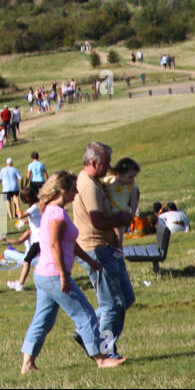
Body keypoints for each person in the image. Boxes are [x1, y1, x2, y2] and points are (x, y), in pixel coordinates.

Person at [20, 171, 125, 373]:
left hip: (42, 274)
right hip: (52, 275)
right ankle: (101, 358)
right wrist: (62, 275)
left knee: (43, 319)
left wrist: (89, 261)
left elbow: (70, 244)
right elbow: (54, 245)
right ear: (62, 190)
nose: (76, 192)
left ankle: (27, 364)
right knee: (86, 315)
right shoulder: (57, 214)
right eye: (73, 189)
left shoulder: (51, 210)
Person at [71, 142, 135, 360]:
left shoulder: (95, 181)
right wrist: (121, 219)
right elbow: (97, 220)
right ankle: (107, 352)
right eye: (106, 163)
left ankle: (85, 331)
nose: (109, 167)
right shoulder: (88, 185)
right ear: (93, 162)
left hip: (108, 247)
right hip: (96, 249)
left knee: (126, 298)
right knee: (111, 306)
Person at [7, 187, 42, 292]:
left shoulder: (34, 207)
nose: (22, 201)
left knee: (27, 260)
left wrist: (16, 203)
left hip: (39, 239)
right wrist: (25, 222)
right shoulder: (36, 205)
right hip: (40, 238)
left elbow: (20, 215)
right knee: (29, 260)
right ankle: (19, 282)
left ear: (27, 197)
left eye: (22, 199)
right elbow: (35, 218)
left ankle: (20, 284)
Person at [104, 158, 141, 245]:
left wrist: (132, 216)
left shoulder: (132, 187)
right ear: (120, 174)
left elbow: (133, 202)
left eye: (134, 177)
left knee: (119, 233)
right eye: (130, 177)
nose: (132, 180)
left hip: (122, 212)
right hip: (108, 211)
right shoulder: (108, 182)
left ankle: (119, 247)